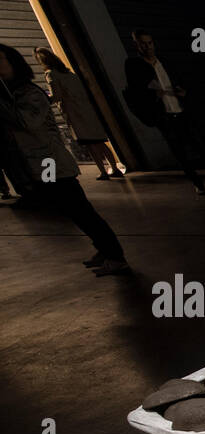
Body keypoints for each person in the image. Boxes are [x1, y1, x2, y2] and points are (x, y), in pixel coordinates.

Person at [0, 44, 128, 274]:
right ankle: (104, 249)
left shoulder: (29, 93)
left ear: (13, 63)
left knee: (80, 209)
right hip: (38, 164)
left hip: (51, 163)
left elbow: (27, 122)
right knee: (72, 210)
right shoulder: (11, 94)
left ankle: (116, 256)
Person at [125, 29, 205, 195]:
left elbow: (184, 80)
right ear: (136, 45)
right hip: (165, 117)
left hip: (182, 112)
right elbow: (134, 92)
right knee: (181, 155)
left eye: (149, 43)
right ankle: (199, 185)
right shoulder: (133, 65)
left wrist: (184, 92)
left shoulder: (165, 62)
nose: (147, 47)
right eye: (143, 44)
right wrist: (153, 95)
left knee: (203, 151)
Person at [34, 47, 121, 181]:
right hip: (87, 110)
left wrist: (43, 99)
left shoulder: (51, 74)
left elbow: (56, 96)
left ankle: (103, 171)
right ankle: (114, 168)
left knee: (90, 144)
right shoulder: (70, 73)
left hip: (74, 113)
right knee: (99, 141)